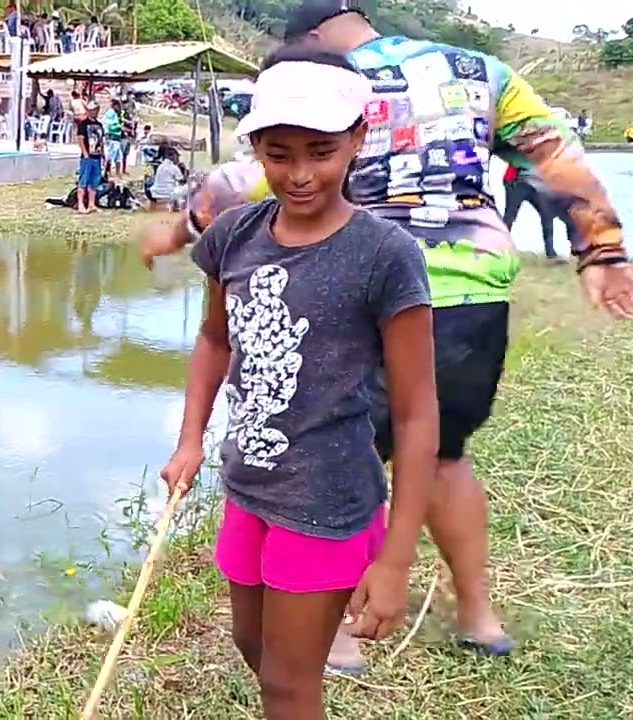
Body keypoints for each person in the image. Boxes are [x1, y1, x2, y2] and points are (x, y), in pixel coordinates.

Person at [142, 0, 633, 675]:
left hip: (354, 289)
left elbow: (252, 180)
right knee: (444, 454)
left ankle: (335, 620)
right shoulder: (479, 69)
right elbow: (555, 154)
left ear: (310, 39)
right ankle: (477, 614)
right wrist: (602, 248)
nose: (303, 162)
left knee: (342, 447)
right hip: (471, 287)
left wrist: (178, 229)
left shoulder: (332, 84)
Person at [161, 47, 436, 718]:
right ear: (255, 145)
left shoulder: (385, 257)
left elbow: (417, 413)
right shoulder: (234, 235)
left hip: (330, 499)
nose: (301, 173)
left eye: (320, 150)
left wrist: (396, 562)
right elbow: (214, 339)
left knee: (289, 684)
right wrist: (190, 439)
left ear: (358, 139)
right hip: (249, 484)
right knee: (255, 651)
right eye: (279, 154)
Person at [502, 165, 570, 263]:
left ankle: (551, 254)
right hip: (517, 183)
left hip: (537, 185)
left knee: (547, 215)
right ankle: (499, 250)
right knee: (510, 216)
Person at [75, 101, 105, 214]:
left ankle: (92, 204)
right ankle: (81, 204)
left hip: (97, 156)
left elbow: (101, 140)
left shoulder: (99, 125)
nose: (94, 112)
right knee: (83, 180)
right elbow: (80, 138)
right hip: (87, 156)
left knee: (94, 181)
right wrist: (85, 153)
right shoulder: (83, 124)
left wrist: (103, 154)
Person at [101, 98, 124, 179]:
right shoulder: (110, 112)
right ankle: (107, 172)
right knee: (110, 156)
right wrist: (120, 128)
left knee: (119, 157)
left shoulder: (116, 114)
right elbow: (110, 125)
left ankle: (118, 173)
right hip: (112, 136)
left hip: (117, 137)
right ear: (115, 105)